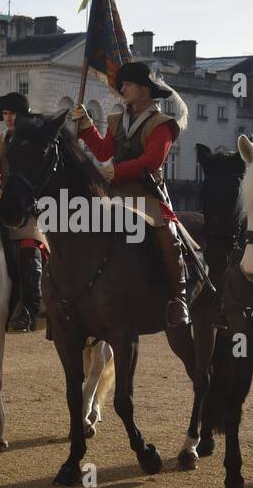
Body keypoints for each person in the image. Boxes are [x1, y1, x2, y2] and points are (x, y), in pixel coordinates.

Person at [72, 60, 192, 327]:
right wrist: (86, 126)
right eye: (122, 84)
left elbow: (150, 163)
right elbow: (103, 151)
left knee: (166, 233)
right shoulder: (117, 119)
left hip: (145, 192)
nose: (122, 88)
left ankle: (178, 297)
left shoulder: (162, 124)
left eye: (127, 84)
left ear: (144, 89)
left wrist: (115, 171)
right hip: (113, 191)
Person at [0, 93, 48, 331]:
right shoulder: (0, 140)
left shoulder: (34, 139)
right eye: (5, 114)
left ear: (23, 116)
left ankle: (29, 309)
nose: (8, 118)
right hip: (4, 202)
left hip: (31, 205)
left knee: (27, 244)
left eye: (13, 113)